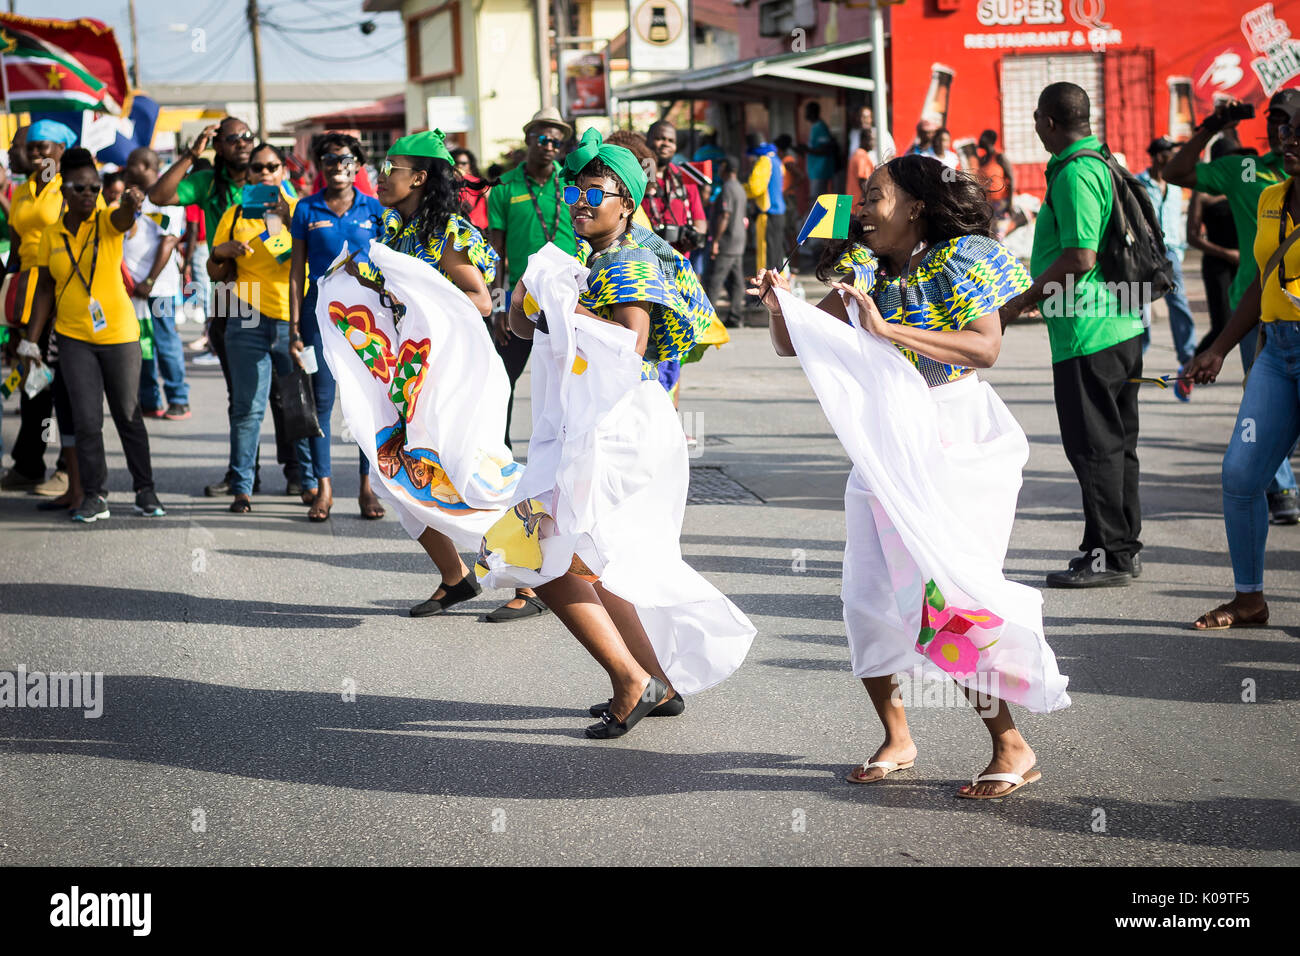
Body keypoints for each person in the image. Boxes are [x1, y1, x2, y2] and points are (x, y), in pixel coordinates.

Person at [751, 153, 1068, 798]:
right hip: (883, 441)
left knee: (942, 598)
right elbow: (795, 344)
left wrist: (887, 327)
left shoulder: (965, 257)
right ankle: (897, 735)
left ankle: (1011, 742)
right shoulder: (860, 267)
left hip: (952, 435)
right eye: (861, 198)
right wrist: (783, 305)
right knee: (866, 597)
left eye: (874, 197)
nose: (862, 209)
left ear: (918, 205)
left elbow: (985, 348)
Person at [480, 128, 756, 738]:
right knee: (597, 559)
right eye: (577, 192)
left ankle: (632, 681)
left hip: (618, 427)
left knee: (542, 558)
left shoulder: (628, 260)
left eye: (597, 193)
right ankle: (660, 679)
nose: (582, 202)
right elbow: (520, 328)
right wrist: (541, 287)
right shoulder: (590, 260)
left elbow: (628, 345)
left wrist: (563, 303)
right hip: (595, 424)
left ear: (626, 204)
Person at [348, 129, 542, 623]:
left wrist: (418, 294)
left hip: (451, 378)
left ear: (418, 177)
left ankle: (531, 581)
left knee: (469, 473)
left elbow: (479, 300)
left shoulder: (448, 232)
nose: (382, 175)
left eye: (391, 167)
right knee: (396, 473)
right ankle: (455, 577)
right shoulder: (393, 228)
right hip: (407, 375)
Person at [1000, 82, 1145, 588]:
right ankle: (1120, 549)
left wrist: (1021, 301)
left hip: (1090, 330)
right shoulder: (1100, 161)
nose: (1037, 128)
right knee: (1117, 443)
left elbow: (1080, 257)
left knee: (1094, 447)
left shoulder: (1074, 172)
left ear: (1049, 122)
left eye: (1038, 120)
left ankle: (1108, 557)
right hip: (1119, 323)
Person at [1183, 108, 1300, 627]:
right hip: (1275, 350)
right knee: (1241, 472)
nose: (1286, 137)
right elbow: (1262, 278)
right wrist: (1220, 347)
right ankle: (1250, 599)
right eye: (1284, 129)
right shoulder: (1273, 197)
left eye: (1298, 130)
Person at [150, 116, 303, 498]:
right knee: (242, 395)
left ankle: (296, 472)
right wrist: (190, 154)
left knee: (285, 394)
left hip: (278, 298)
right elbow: (158, 196)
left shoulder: (276, 187)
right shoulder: (208, 183)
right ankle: (243, 476)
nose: (243, 143)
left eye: (248, 136)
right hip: (228, 295)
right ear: (218, 147)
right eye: (233, 139)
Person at [1165, 91, 1300, 525]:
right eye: (1276, 122)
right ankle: (1282, 489)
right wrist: (1211, 127)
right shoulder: (1247, 171)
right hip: (1256, 309)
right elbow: (1176, 171)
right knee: (1258, 405)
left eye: (1289, 121)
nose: (1281, 132)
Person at [19, 148, 163, 522]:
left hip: (118, 334)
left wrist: (132, 203)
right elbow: (46, 290)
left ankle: (145, 490)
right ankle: (95, 495)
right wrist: (29, 341)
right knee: (86, 421)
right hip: (72, 336)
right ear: (64, 191)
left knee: (128, 415)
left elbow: (123, 217)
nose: (88, 194)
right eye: (80, 188)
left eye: (94, 188)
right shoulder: (51, 235)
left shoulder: (106, 221)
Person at [287, 132, 387, 523]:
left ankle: (367, 488)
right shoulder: (306, 209)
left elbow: (389, 267)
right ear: (320, 166)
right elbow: (297, 272)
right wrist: (295, 326)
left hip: (366, 321)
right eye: (329, 160)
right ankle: (324, 487)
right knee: (322, 403)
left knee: (365, 403)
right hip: (318, 319)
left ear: (358, 165)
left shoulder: (375, 209)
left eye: (345, 160)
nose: (337, 166)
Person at [207, 142, 312, 515]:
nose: (264, 173)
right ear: (248, 174)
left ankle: (308, 481)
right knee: (247, 408)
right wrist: (223, 252)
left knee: (296, 401)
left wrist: (277, 222)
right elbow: (213, 270)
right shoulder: (236, 212)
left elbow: (297, 262)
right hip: (245, 314)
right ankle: (242, 488)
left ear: (283, 171)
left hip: (289, 316)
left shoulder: (301, 210)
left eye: (271, 167)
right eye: (257, 168)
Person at [487, 108, 578, 451]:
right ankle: (500, 452)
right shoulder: (504, 187)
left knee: (570, 380)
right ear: (528, 139)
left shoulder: (571, 185)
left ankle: (565, 450)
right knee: (502, 379)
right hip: (519, 299)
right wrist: (497, 306)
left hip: (569, 298)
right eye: (543, 138)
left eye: (557, 140)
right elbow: (495, 252)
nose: (550, 145)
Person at [2, 119, 78, 493]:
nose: (35, 153)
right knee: (33, 382)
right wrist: (7, 303)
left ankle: (68, 469)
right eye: (31, 147)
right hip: (28, 297)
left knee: (64, 384)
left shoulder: (73, 189)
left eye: (43, 147)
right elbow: (16, 252)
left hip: (63, 295)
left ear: (61, 151)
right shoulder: (21, 192)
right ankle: (29, 463)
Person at [122, 147, 190, 421]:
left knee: (165, 341)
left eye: (131, 164)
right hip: (133, 289)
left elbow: (169, 241)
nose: (126, 169)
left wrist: (149, 280)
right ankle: (150, 400)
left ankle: (178, 399)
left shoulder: (166, 197)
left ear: (147, 165)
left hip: (157, 288)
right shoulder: (137, 198)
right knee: (142, 344)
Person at [1136, 137, 1197, 401]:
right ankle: (1136, 356)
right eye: (1164, 153)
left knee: (1178, 302)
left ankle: (1187, 358)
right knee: (1141, 304)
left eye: (1171, 153)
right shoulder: (1138, 182)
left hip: (1171, 251)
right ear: (1155, 156)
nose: (1168, 158)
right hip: (1145, 251)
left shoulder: (1176, 183)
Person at [1187, 143, 1241, 356]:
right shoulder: (1203, 192)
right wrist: (1226, 254)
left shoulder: (1242, 186)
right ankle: (1191, 368)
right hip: (1217, 264)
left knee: (1254, 323)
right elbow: (1192, 237)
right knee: (1223, 325)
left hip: (1245, 262)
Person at [706, 157, 747, 329]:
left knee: (714, 280)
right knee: (737, 281)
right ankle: (736, 316)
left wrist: (715, 240)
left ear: (726, 168)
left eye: (720, 167)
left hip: (727, 241)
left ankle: (707, 320)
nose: (718, 171)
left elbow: (725, 215)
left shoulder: (727, 189)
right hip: (739, 241)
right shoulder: (740, 189)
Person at [744, 133, 786, 272]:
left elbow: (755, 188)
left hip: (768, 214)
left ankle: (765, 291)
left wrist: (740, 189)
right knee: (777, 256)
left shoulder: (763, 160)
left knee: (766, 257)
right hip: (779, 214)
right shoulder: (776, 159)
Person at [802, 101, 837, 198]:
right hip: (814, 172)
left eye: (807, 111)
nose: (806, 114)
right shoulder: (814, 127)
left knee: (818, 201)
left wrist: (807, 150)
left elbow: (825, 150)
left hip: (820, 172)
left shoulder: (820, 127)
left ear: (813, 112)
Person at [450, 147, 490, 232]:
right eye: (456, 163)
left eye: (463, 163)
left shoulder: (480, 183)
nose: (459, 166)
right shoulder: (449, 184)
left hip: (480, 231)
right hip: (459, 231)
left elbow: (491, 204)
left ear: (470, 165)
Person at [977, 129, 1015, 217]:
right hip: (985, 204)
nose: (980, 139)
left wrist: (1010, 203)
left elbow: (1011, 179)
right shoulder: (982, 160)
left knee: (997, 230)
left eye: (983, 137)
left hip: (999, 203)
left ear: (990, 140)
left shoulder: (999, 157)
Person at [844, 125, 875, 200]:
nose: (873, 143)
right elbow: (863, 181)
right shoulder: (861, 156)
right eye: (871, 140)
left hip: (854, 202)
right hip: (859, 204)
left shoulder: (857, 154)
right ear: (863, 140)